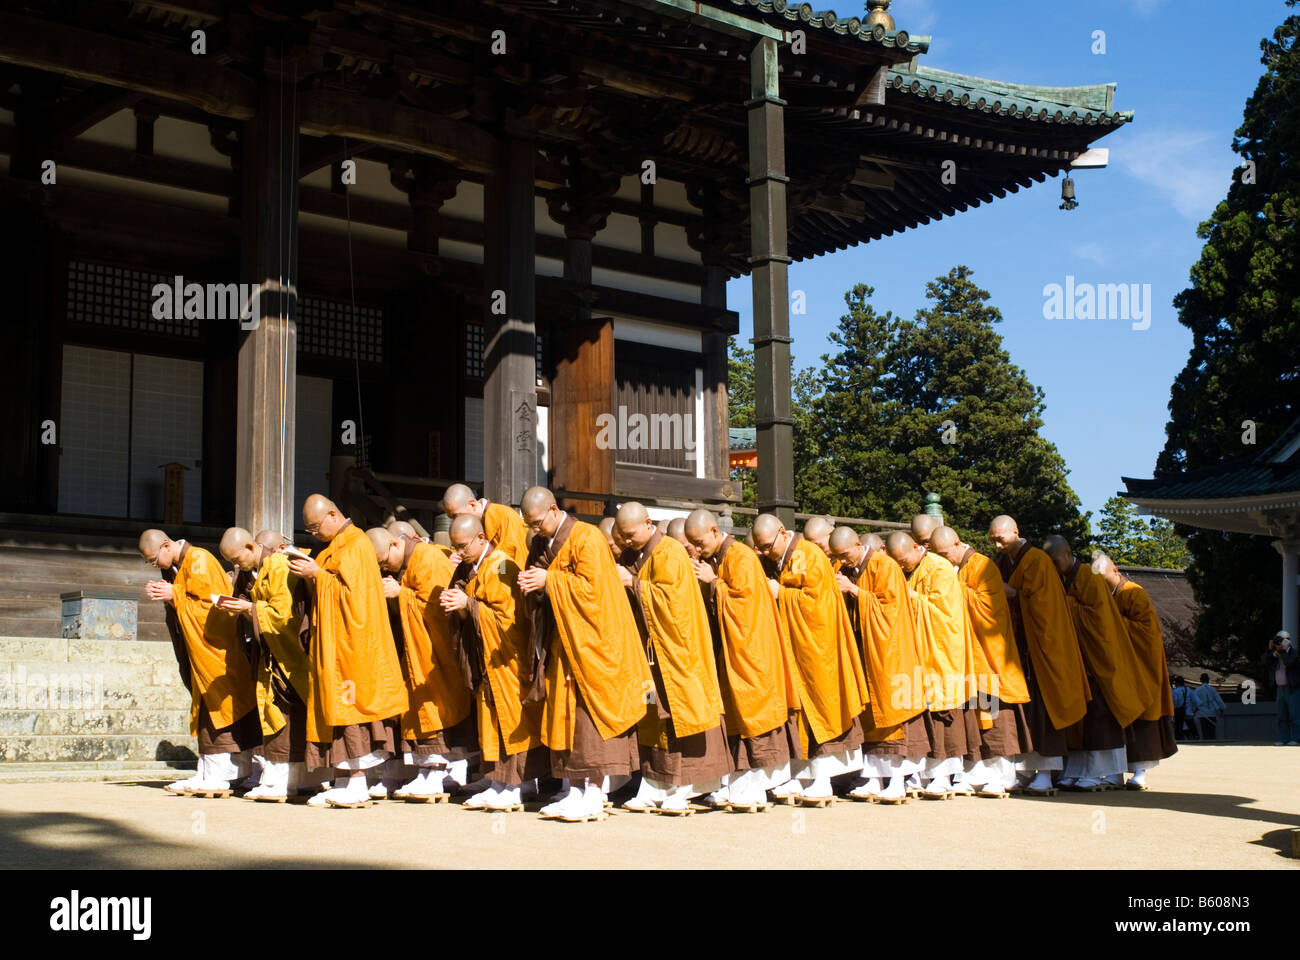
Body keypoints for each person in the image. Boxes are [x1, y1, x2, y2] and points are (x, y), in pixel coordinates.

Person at [518, 486, 653, 822]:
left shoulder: (586, 537)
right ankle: (574, 790)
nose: (535, 530)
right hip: (565, 643)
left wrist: (550, 580)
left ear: (552, 510)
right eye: (529, 525)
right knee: (566, 718)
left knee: (590, 718)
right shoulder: (540, 543)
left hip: (596, 645)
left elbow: (594, 591)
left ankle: (594, 793)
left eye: (537, 523)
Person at [293, 495, 409, 809]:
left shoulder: (356, 544)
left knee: (352, 710)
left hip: (354, 647)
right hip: (335, 646)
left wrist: (317, 576)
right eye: (309, 530)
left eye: (315, 527)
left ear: (333, 514)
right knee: (337, 710)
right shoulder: (334, 546)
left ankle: (358, 783)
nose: (314, 533)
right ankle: (344, 781)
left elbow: (354, 599)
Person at [615, 502, 730, 814]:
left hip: (680, 650)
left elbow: (674, 602)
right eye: (622, 536)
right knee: (654, 715)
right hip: (652, 650)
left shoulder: (669, 552)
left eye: (630, 534)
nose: (626, 541)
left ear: (648, 523)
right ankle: (655, 784)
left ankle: (687, 787)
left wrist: (634, 583)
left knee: (683, 712)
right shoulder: (640, 553)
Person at [685, 509, 801, 812]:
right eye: (693, 545)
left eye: (699, 542)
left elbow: (745, 606)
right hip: (735, 653)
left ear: (713, 531)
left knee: (754, 713)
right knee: (736, 717)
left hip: (753, 654)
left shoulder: (740, 557)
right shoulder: (721, 559)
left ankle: (756, 787)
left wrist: (715, 582)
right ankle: (737, 785)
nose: (698, 549)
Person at [752, 513, 868, 805]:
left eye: (767, 546)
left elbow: (816, 603)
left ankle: (822, 780)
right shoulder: (788, 557)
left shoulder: (806, 555)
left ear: (782, 533)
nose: (766, 553)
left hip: (819, 648)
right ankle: (804, 778)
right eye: (761, 549)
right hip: (799, 648)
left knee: (823, 708)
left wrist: (782, 593)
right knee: (802, 714)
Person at [440, 514, 548, 811]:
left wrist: (469, 605)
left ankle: (520, 783)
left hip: (508, 656)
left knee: (513, 717)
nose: (457, 553)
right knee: (491, 718)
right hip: (486, 655)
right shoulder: (473, 567)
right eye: (454, 547)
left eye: (462, 546)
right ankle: (499, 781)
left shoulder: (501, 564)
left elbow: (509, 618)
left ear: (481, 539)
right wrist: (460, 606)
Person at [140, 529, 259, 797]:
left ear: (166, 546)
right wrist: (175, 593)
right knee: (207, 713)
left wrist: (176, 595)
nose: (154, 565)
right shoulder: (182, 566)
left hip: (218, 653)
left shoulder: (199, 560)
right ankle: (209, 773)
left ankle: (220, 776)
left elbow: (213, 607)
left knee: (220, 711)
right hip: (204, 656)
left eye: (153, 559)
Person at [368, 526, 474, 801]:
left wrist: (401, 594)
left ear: (394, 544)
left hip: (435, 652)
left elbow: (438, 609)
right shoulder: (406, 563)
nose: (384, 568)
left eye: (383, 561)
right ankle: (426, 773)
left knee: (434, 706)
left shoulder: (427, 558)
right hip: (417, 649)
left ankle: (436, 774)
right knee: (419, 706)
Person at [987, 516, 1089, 795]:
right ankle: (1026, 770)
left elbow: (1044, 606)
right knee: (1025, 712)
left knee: (1045, 710)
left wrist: (1012, 593)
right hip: (1017, 647)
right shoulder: (1001, 562)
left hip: (1042, 646)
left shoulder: (1037, 561)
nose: (997, 543)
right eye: (992, 539)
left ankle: (1045, 771)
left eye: (1001, 538)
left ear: (1016, 532)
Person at [929, 525, 1033, 798]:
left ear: (957, 543)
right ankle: (976, 775)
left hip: (992, 656)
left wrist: (955, 592)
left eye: (944, 553)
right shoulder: (960, 569)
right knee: (976, 717)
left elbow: (990, 607)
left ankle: (1003, 777)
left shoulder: (983, 566)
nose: (943, 559)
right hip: (971, 658)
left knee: (998, 718)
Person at [1042, 536, 1149, 791]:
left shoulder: (1089, 578)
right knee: (1081, 719)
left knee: (1101, 716)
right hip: (1078, 657)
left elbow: (1098, 618)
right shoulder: (1062, 578)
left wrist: (1064, 605)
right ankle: (1080, 770)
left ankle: (1104, 772)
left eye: (1055, 561)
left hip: (1100, 657)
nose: (1053, 567)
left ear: (1067, 554)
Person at [830, 527, 927, 803]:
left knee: (895, 715)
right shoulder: (844, 567)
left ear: (858, 545)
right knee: (871, 718)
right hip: (866, 652)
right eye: (838, 556)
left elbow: (890, 610)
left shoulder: (885, 566)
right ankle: (873, 778)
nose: (843, 561)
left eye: (845, 554)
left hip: (891, 653)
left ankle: (898, 780)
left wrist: (855, 591)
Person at [217, 527, 311, 802]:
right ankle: (284, 780)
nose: (236, 566)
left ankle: (282, 782)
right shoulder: (263, 568)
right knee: (276, 712)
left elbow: (284, 616)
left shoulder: (278, 566)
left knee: (285, 714)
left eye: (237, 558)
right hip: (273, 650)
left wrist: (249, 610)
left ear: (249, 546)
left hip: (289, 653)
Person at [1092, 554, 1177, 789]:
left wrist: (1112, 623)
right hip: (1120, 670)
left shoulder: (1133, 592)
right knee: (1116, 720)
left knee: (1144, 720)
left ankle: (1140, 772)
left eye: (1103, 578)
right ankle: (1115, 771)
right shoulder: (1108, 597)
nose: (1101, 584)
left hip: (1142, 668)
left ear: (1115, 570)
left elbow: (1146, 631)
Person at [442, 482, 531, 569]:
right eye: (451, 518)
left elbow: (510, 564)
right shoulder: (465, 528)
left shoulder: (504, 518)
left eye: (456, 515)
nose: (456, 521)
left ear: (472, 505)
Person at [1262, 630, 1300, 745]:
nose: (1278, 643)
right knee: (1281, 717)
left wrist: (1282, 651)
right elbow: (1264, 661)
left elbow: (1289, 662)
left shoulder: (1294, 653)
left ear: (1287, 641)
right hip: (1280, 689)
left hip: (1292, 688)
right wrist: (1270, 651)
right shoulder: (1275, 654)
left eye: (1280, 640)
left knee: (1295, 716)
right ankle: (1283, 739)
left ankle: (1296, 739)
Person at [1192, 674, 1225, 741]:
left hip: (1202, 714)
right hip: (1212, 713)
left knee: (1204, 732)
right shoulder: (1213, 689)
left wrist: (1194, 710)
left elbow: (1194, 702)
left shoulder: (1197, 690)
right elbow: (1219, 700)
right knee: (1212, 732)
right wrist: (1222, 709)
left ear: (1200, 680)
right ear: (1208, 680)